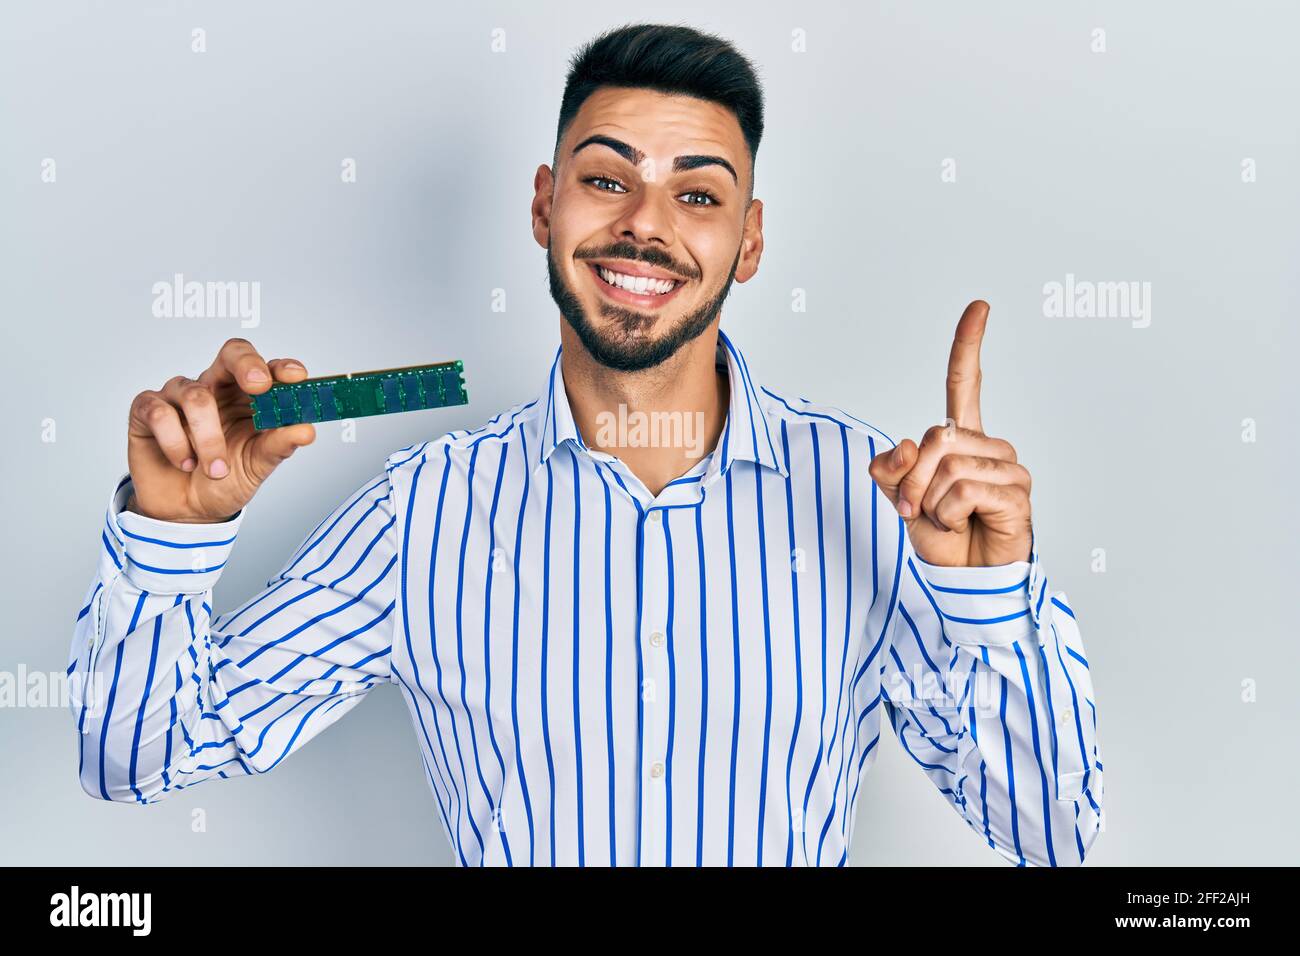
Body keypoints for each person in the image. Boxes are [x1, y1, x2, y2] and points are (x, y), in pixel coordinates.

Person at [69, 22, 1103, 867]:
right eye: (607, 179)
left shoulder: (877, 496)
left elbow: (1051, 833)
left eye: (697, 194)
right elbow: (138, 757)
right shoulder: (422, 511)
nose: (645, 224)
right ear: (543, 204)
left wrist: (988, 598)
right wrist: (170, 533)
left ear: (747, 241)